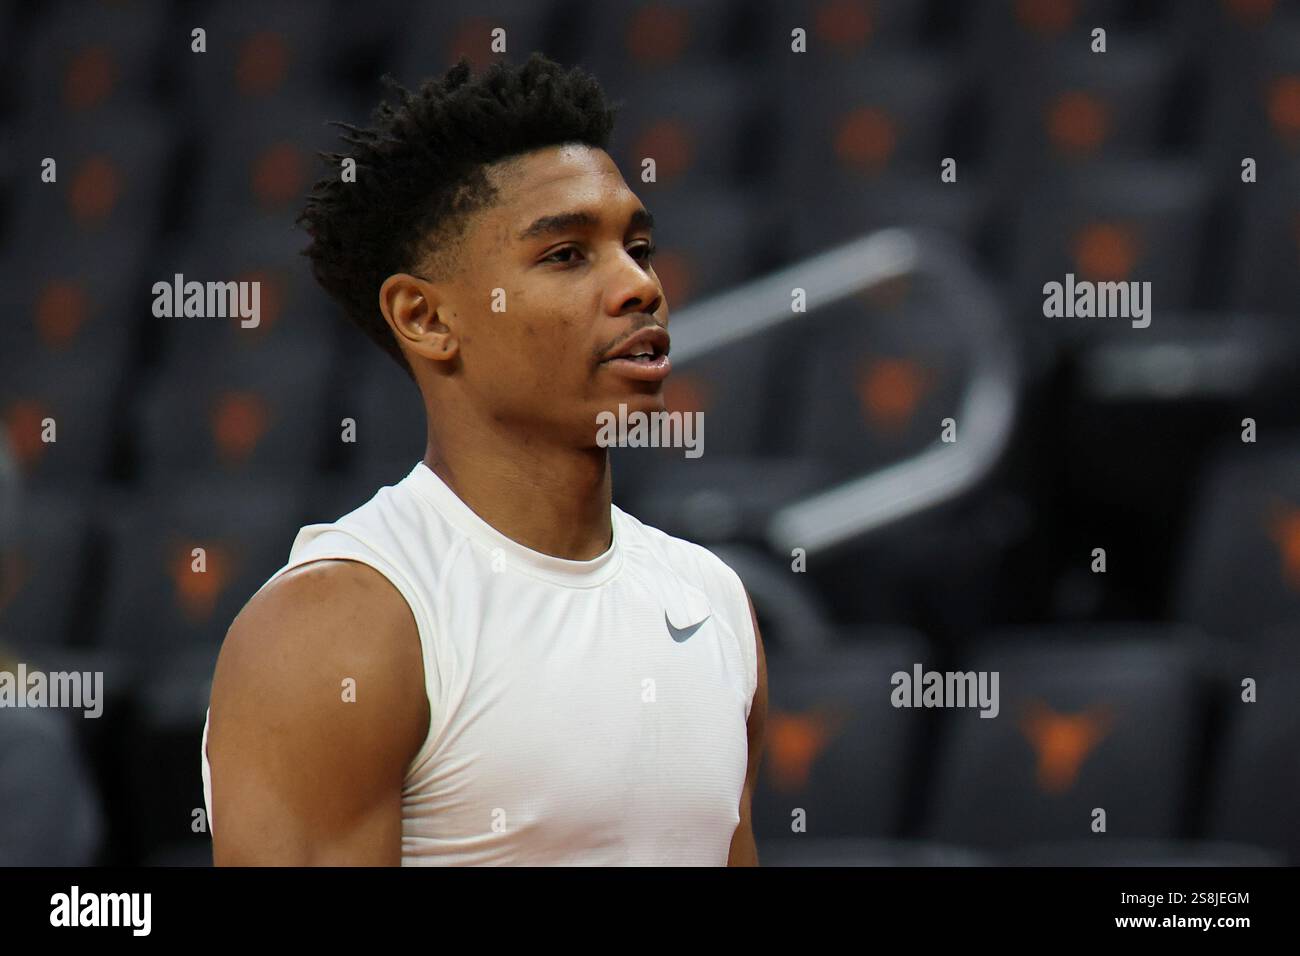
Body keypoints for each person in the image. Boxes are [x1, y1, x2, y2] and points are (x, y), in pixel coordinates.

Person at [202, 53, 767, 865]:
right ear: (425, 318)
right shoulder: (341, 629)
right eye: (567, 254)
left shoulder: (713, 599)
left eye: (637, 245)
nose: (640, 285)